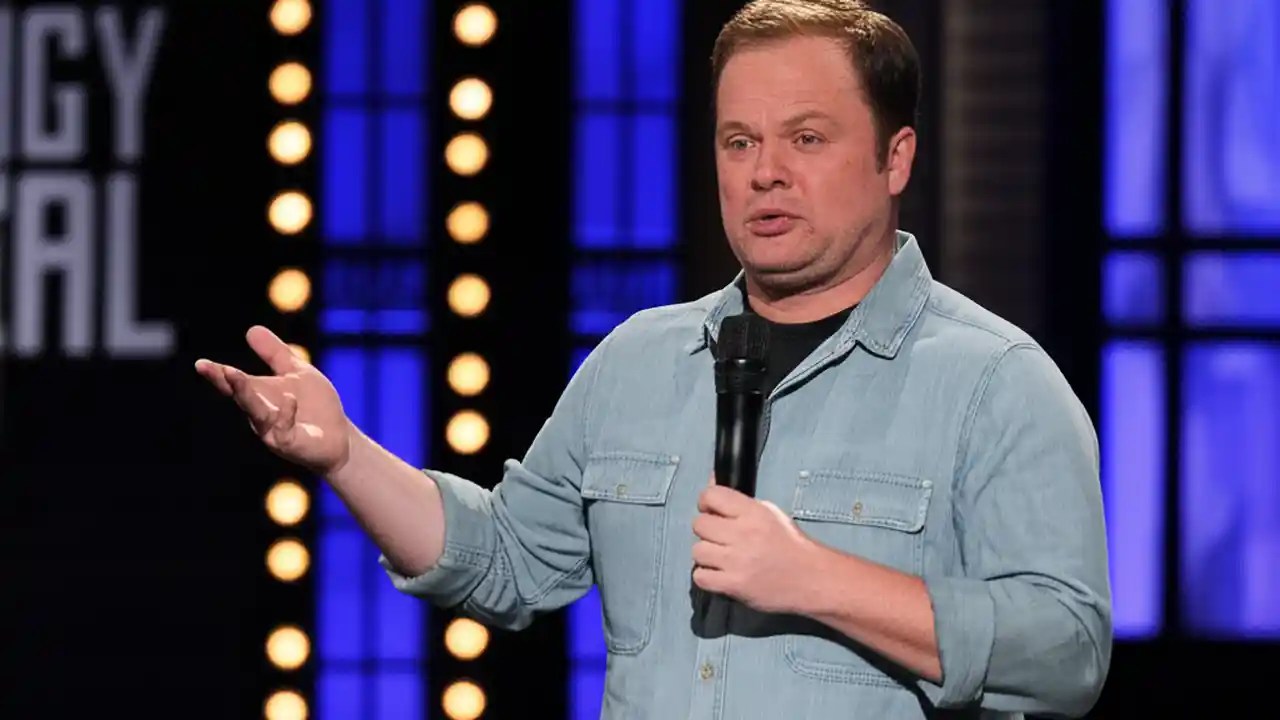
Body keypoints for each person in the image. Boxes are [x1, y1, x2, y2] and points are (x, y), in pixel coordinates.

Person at [196, 1, 1111, 717]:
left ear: (895, 157)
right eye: (739, 141)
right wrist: (346, 454)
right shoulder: (641, 360)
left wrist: (817, 579)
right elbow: (505, 559)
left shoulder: (995, 381)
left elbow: (1068, 653)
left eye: (807, 138)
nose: (765, 173)